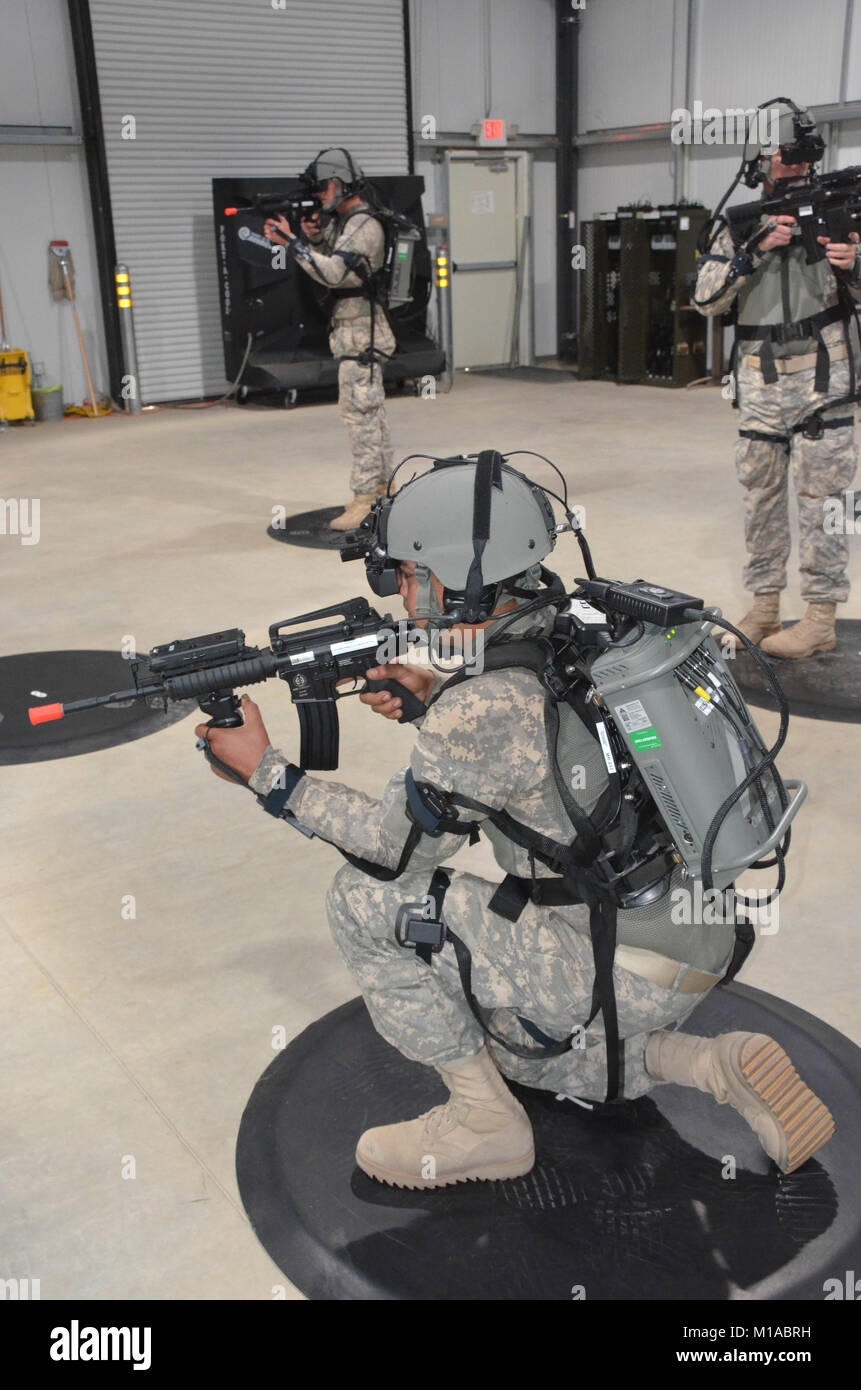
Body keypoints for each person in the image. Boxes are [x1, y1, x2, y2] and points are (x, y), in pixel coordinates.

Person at [196, 455, 834, 1187]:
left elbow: (395, 851)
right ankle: (704, 1062)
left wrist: (266, 773)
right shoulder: (577, 624)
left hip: (612, 959)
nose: (399, 591)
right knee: (518, 1048)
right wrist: (433, 703)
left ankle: (483, 1126)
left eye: (405, 572)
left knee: (366, 899)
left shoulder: (484, 706)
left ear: (457, 577)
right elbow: (549, 759)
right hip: (687, 931)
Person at [694, 105, 861, 658]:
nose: (793, 165)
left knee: (823, 502)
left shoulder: (842, 211)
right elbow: (706, 299)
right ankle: (765, 606)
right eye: (784, 154)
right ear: (761, 157)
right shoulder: (740, 224)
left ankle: (819, 618)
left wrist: (852, 264)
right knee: (761, 500)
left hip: (824, 381)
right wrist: (752, 251)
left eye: (802, 155)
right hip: (761, 385)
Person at [264, 148, 396, 531]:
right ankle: (385, 488)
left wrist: (294, 244)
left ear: (339, 184)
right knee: (372, 415)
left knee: (360, 417)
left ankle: (365, 498)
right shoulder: (349, 222)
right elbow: (335, 260)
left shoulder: (364, 224)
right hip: (355, 332)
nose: (320, 196)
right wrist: (316, 239)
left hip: (362, 334)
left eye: (323, 188)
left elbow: (336, 274)